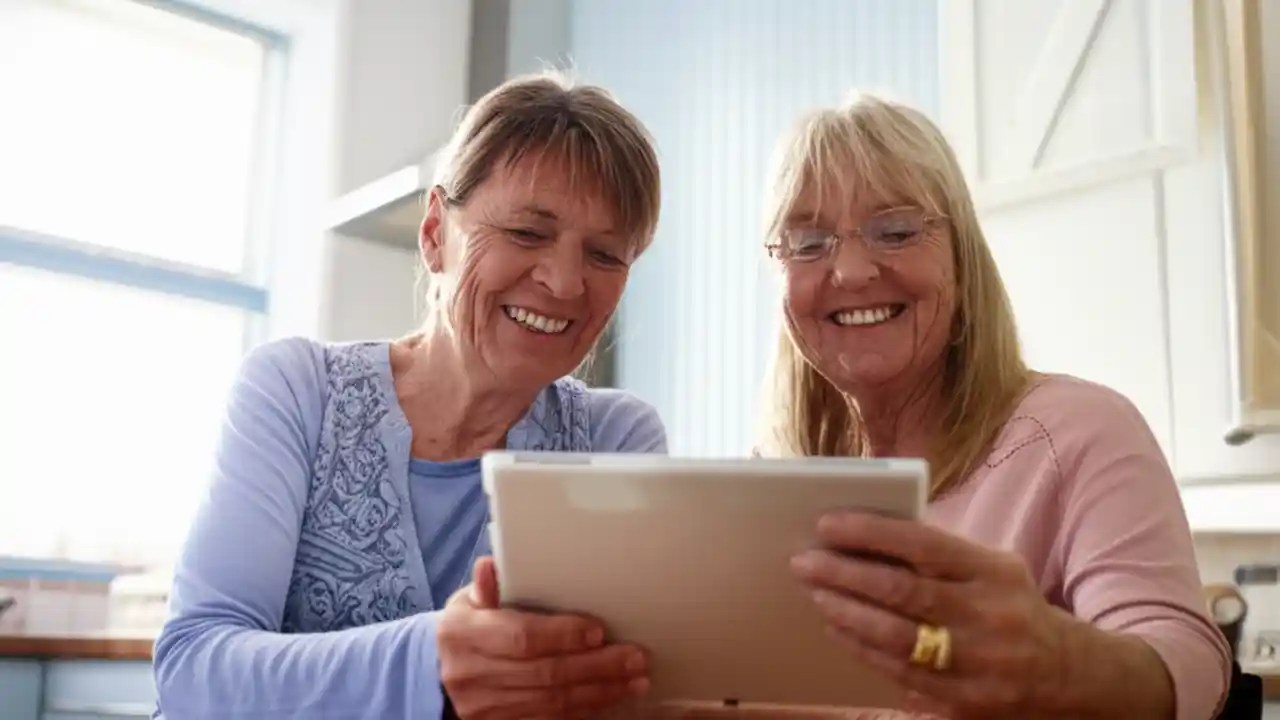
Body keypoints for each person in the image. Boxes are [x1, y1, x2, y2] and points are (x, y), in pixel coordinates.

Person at [151, 73, 665, 720]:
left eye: (605, 255)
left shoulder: (616, 442)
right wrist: (434, 660)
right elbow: (195, 672)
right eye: (528, 234)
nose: (565, 283)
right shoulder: (295, 393)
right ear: (433, 232)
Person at [743, 94, 1229, 719]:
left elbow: (1185, 662)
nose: (854, 271)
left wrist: (1056, 663)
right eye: (808, 243)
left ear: (963, 260)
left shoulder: (1079, 433)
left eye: (895, 230)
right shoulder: (766, 475)